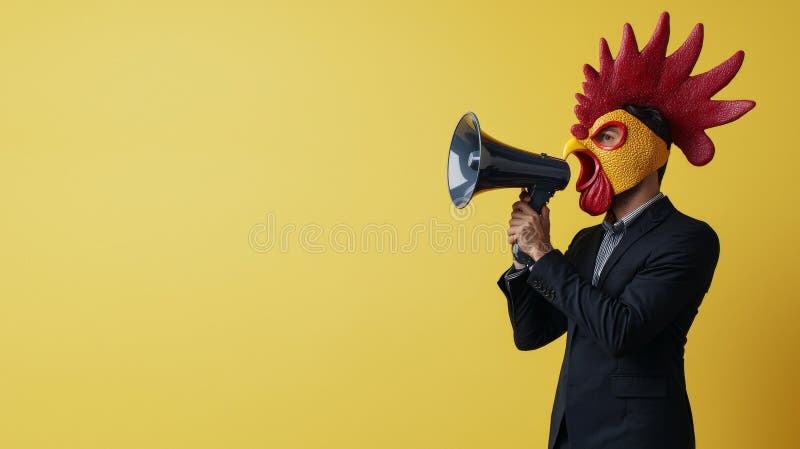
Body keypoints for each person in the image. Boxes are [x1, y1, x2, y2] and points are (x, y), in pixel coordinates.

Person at [496, 13, 754, 449]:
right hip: (572, 435)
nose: (583, 150)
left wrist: (544, 253)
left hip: (638, 437)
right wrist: (524, 259)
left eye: (608, 137)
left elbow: (622, 331)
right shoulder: (585, 242)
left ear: (651, 151)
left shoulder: (688, 239)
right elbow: (531, 335)